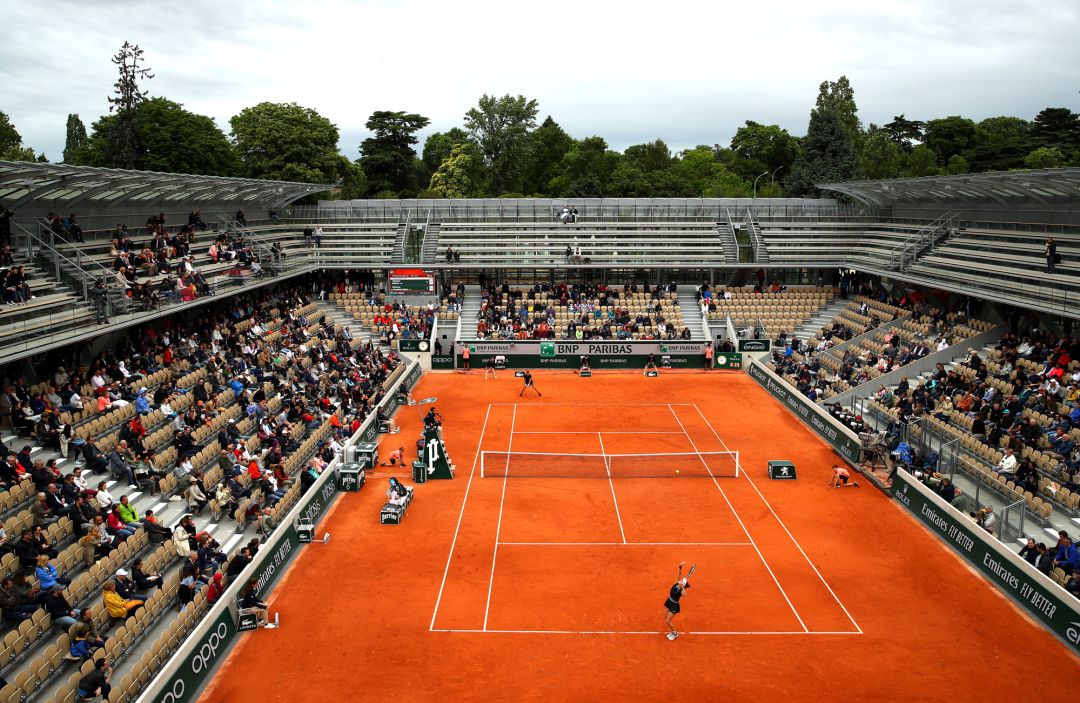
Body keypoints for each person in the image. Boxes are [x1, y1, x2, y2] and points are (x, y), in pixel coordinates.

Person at [662, 561, 690, 640]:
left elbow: (685, 595)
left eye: (682, 582)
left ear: (683, 585)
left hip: (674, 605)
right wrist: (680, 567)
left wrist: (682, 588)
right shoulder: (677, 582)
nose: (681, 581)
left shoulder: (681, 590)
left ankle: (675, 633)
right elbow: (679, 574)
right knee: (665, 618)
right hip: (669, 601)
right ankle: (672, 632)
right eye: (681, 581)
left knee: (668, 621)